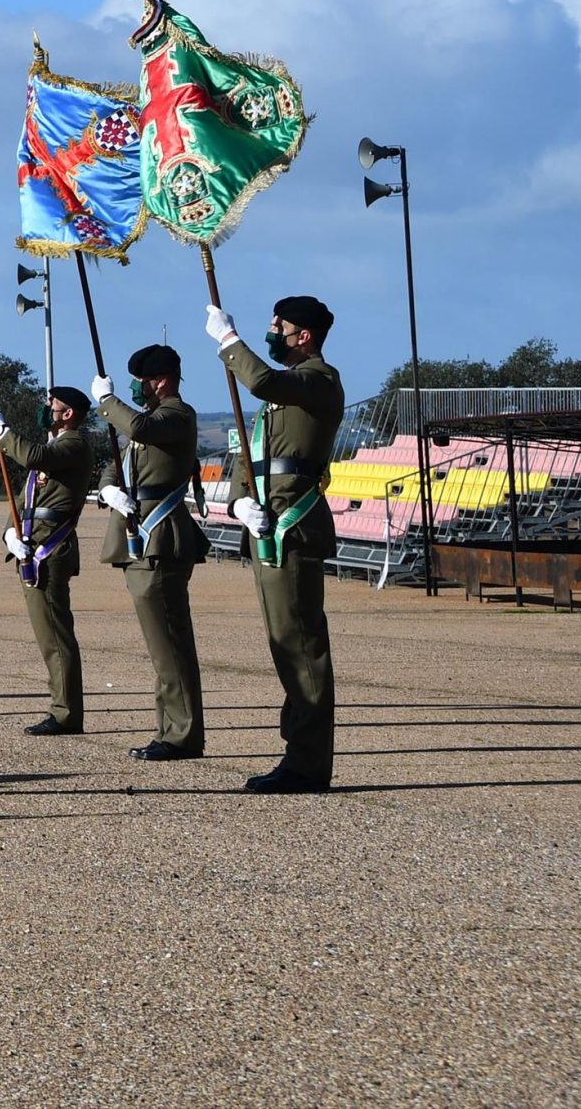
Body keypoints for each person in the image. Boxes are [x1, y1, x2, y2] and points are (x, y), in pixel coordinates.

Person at [211, 295, 345, 795]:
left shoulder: (318, 380)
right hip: (268, 527)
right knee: (283, 643)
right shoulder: (282, 397)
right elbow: (256, 460)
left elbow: (262, 378)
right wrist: (239, 503)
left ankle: (309, 764)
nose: (272, 332)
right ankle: (298, 752)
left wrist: (229, 341)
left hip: (296, 525)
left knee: (302, 646)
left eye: (278, 326)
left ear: (303, 335)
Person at [95, 345, 208, 763]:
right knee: (161, 644)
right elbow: (122, 458)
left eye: (141, 381)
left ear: (160, 380)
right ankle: (170, 729)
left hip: (161, 537)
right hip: (140, 536)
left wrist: (107, 402)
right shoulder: (152, 421)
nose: (136, 388)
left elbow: (140, 429)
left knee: (170, 643)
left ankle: (182, 735)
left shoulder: (177, 415)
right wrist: (109, 486)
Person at [0, 389, 97, 735]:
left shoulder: (74, 444)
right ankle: (61, 707)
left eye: (53, 408)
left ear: (69, 414)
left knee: (55, 634)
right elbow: (25, 500)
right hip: (31, 544)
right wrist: (10, 533)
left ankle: (65, 713)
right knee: (46, 633)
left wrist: (4, 434)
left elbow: (33, 457)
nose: (46, 411)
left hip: (52, 546)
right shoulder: (54, 448)